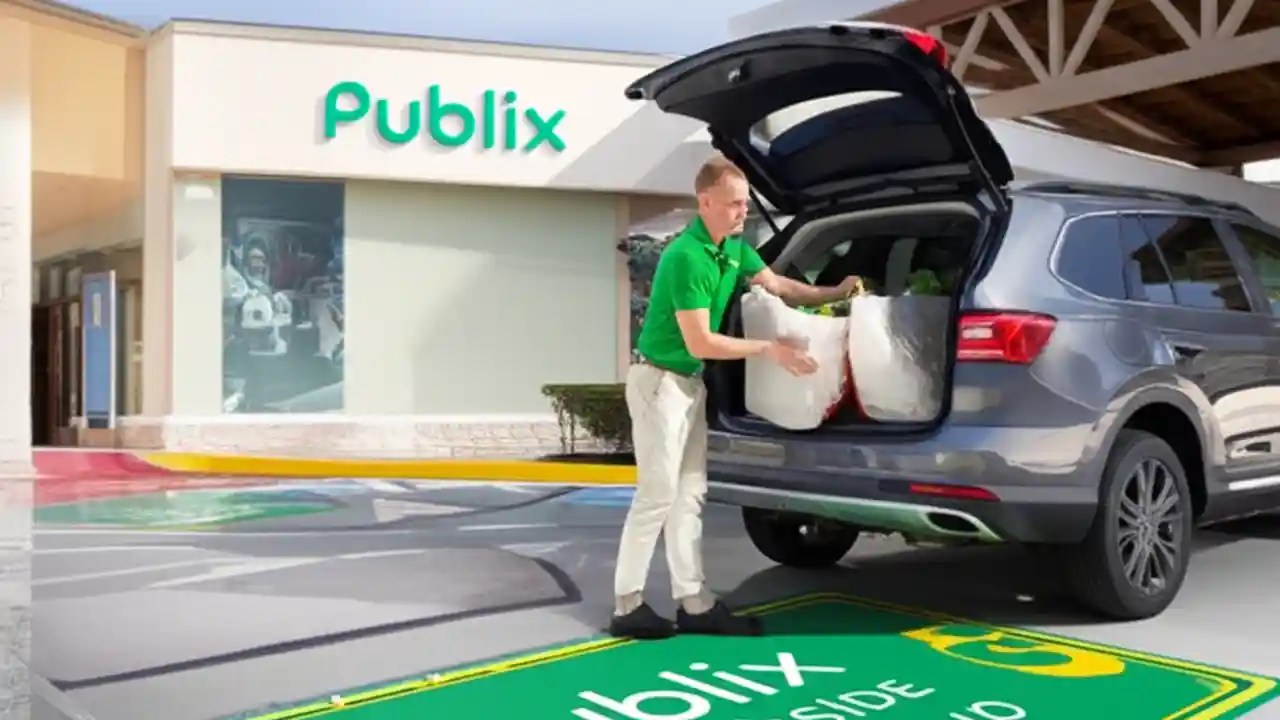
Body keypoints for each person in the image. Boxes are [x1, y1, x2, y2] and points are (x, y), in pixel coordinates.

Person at [609, 154, 866, 639]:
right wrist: (770, 348)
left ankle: (695, 604)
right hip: (658, 383)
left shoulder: (732, 249)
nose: (741, 212)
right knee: (658, 495)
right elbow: (701, 342)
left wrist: (837, 290)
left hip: (686, 384)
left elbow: (779, 285)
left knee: (690, 495)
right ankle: (627, 606)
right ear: (704, 202)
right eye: (732, 204)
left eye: (746, 203)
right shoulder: (687, 257)